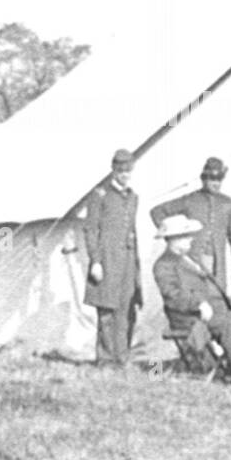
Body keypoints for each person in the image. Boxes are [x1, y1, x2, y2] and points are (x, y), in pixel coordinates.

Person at [153, 215, 231, 387]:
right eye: (186, 235)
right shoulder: (164, 265)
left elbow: (210, 285)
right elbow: (172, 297)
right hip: (186, 317)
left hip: (209, 311)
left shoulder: (190, 258)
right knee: (227, 325)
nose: (191, 239)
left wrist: (229, 303)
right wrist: (198, 304)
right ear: (173, 239)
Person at [82, 149, 143, 367]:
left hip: (127, 261)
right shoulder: (100, 195)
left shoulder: (133, 197)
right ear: (113, 171)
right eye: (120, 171)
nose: (124, 175)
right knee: (107, 310)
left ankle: (122, 357)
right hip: (107, 260)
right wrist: (95, 261)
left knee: (125, 310)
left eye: (128, 170)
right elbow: (90, 230)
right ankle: (106, 359)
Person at [149, 156, 231, 291]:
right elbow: (157, 212)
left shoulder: (228, 204)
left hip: (217, 265)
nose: (215, 183)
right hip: (191, 262)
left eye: (219, 179)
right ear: (203, 179)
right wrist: (172, 237)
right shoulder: (190, 200)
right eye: (212, 179)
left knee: (217, 299)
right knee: (193, 298)